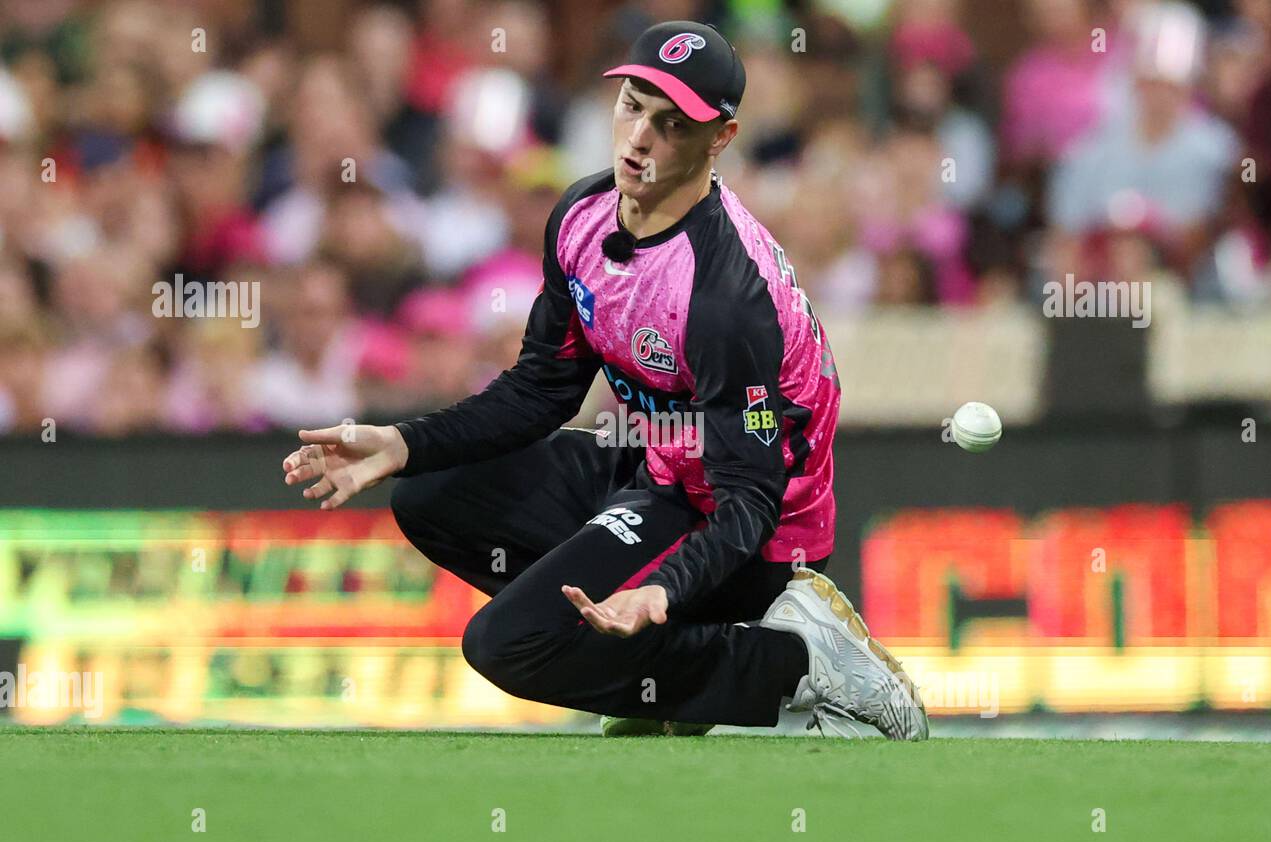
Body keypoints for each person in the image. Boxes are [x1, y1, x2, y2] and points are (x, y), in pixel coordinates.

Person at [281, 21, 928, 740]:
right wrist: (405, 441)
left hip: (758, 535)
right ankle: (658, 676)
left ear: (721, 138)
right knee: (431, 494)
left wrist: (664, 588)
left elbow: (750, 502)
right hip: (662, 471)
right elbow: (541, 392)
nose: (640, 140)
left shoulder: (722, 295)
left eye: (671, 123)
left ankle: (798, 663)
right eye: (632, 106)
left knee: (504, 644)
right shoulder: (583, 216)